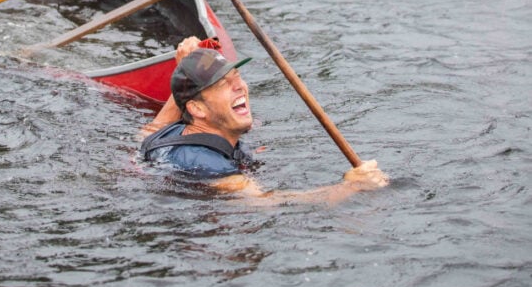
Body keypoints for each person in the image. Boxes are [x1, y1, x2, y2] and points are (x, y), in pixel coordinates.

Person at [140, 36, 389, 204]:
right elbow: (266, 202)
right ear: (197, 109)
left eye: (237, 76)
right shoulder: (205, 163)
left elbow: (148, 133)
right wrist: (351, 187)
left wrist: (187, 69)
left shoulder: (164, 133)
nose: (239, 86)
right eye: (223, 84)